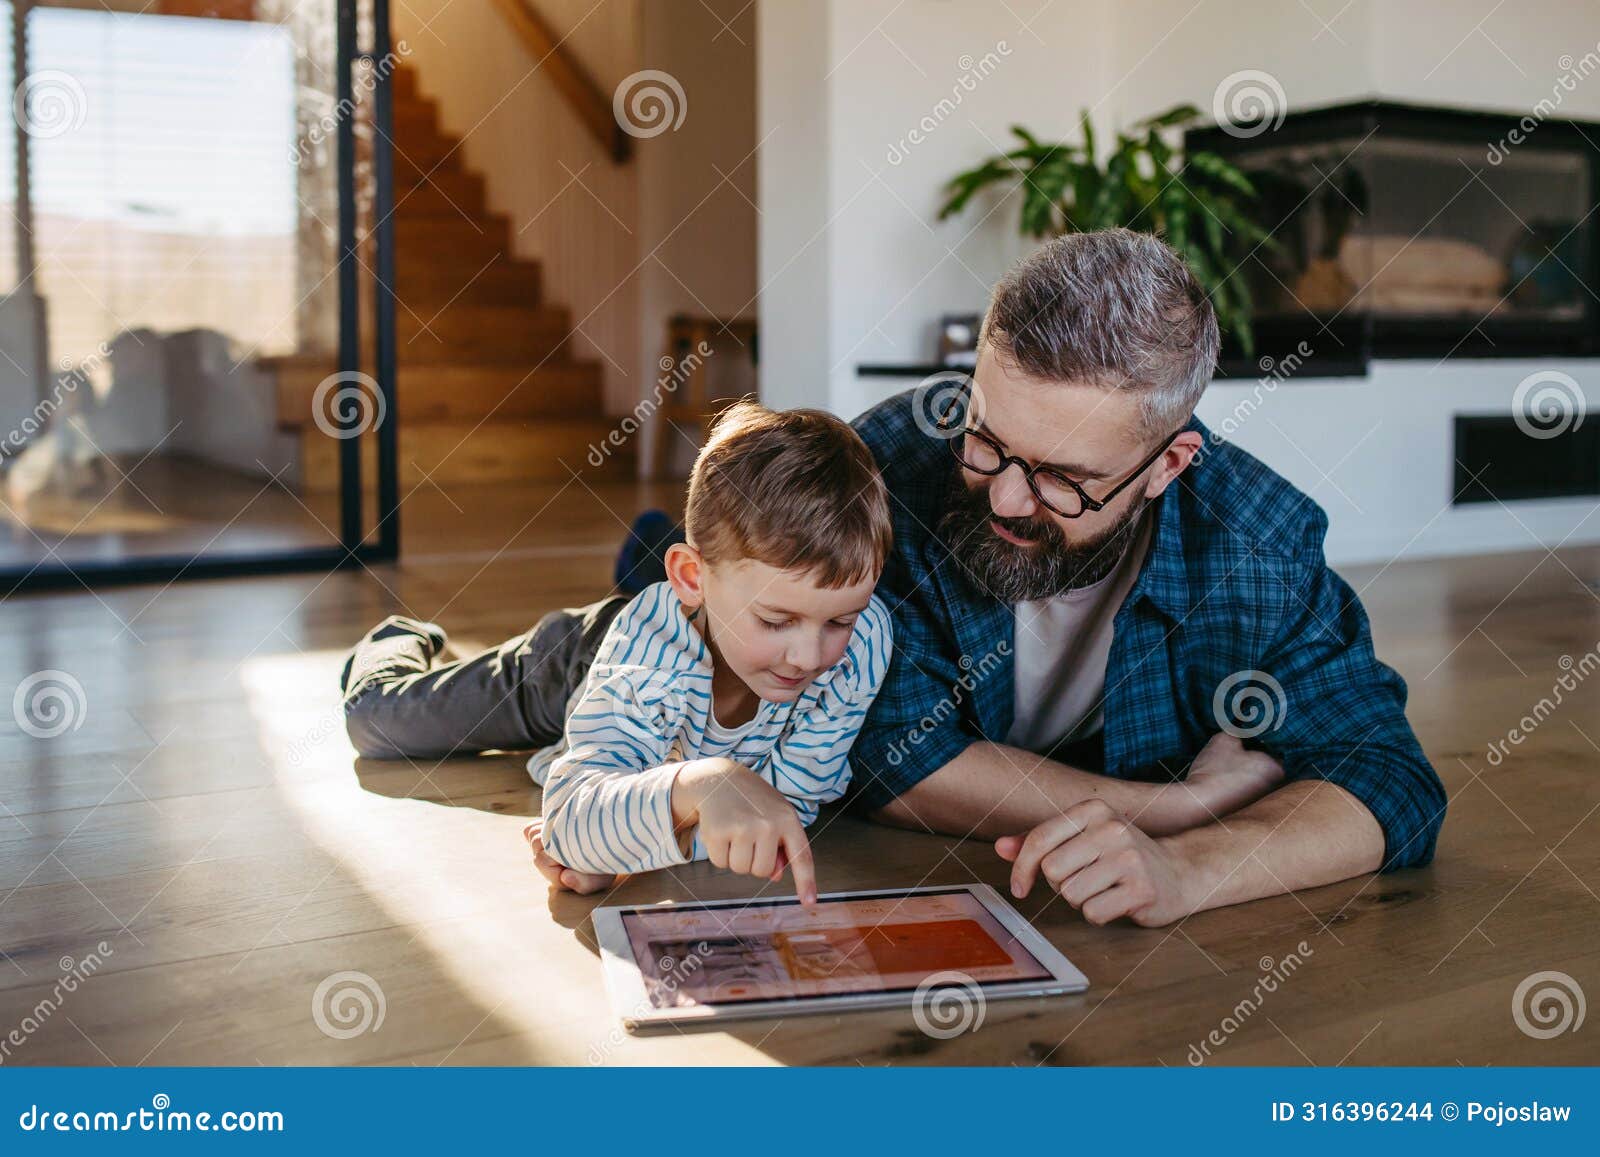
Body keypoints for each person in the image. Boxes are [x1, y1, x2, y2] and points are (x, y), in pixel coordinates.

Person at [847, 228, 1447, 927]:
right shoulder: (881, 472)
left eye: (1064, 479)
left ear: (1168, 465)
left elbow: (1387, 779)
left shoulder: (1255, 542)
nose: (1006, 499)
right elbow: (883, 752)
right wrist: (1182, 808)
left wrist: (1190, 868)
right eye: (985, 439)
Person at [339, 401, 895, 904]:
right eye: (777, 620)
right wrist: (701, 787)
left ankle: (648, 542)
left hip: (682, 633)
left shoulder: (863, 643)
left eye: (838, 620)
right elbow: (571, 823)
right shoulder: (644, 657)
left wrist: (625, 846)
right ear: (692, 578)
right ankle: (397, 638)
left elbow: (780, 817)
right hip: (579, 661)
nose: (808, 656)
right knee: (377, 722)